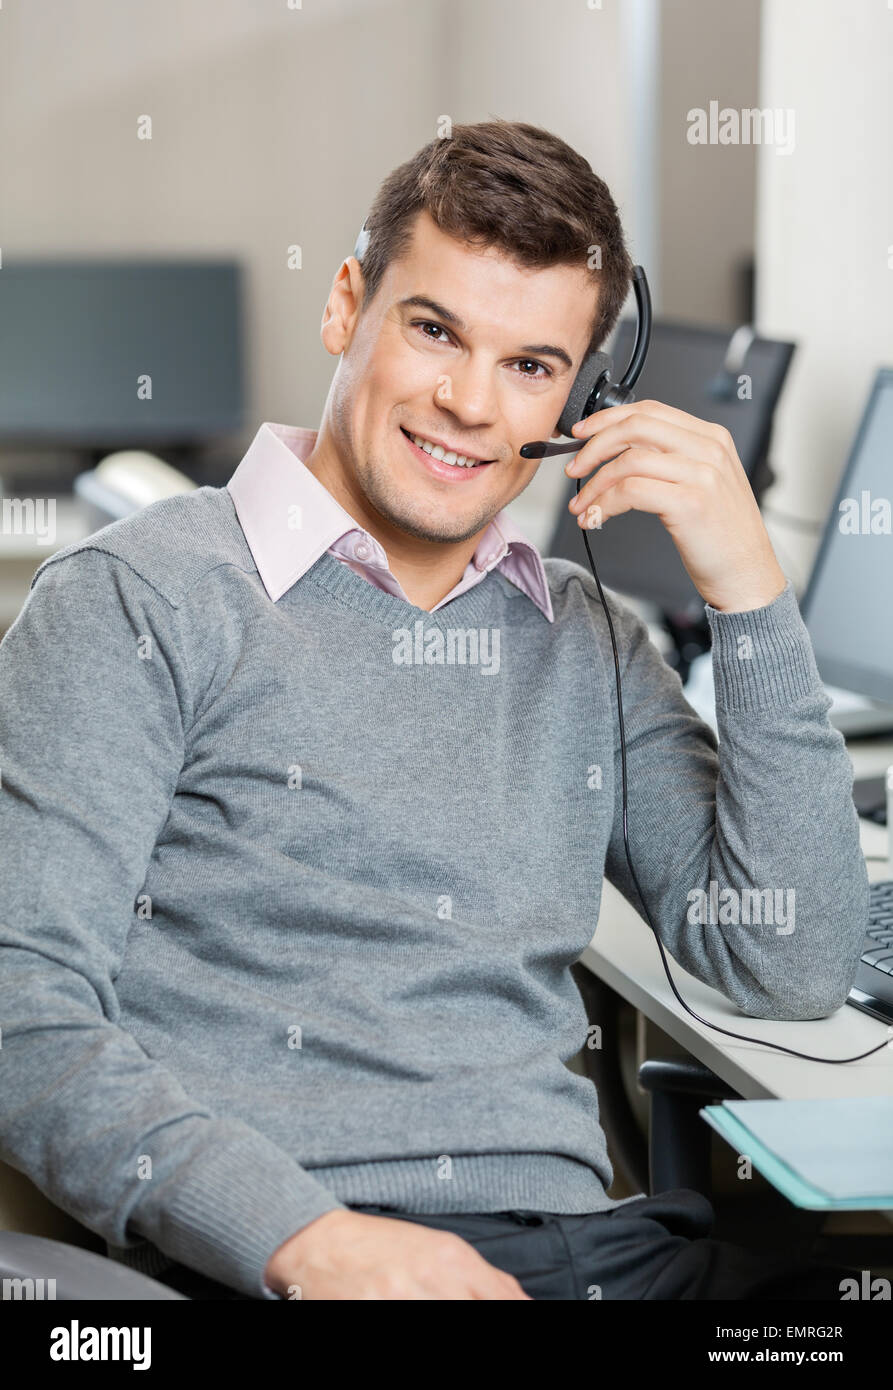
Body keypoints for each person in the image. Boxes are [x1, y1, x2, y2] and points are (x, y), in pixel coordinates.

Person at [0, 120, 868, 1301]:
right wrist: (306, 1239)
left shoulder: (586, 638)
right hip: (291, 1259)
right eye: (433, 330)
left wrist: (749, 592)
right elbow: (21, 1007)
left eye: (529, 364)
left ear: (581, 397)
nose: (467, 402)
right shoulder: (137, 599)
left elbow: (790, 962)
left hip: (591, 1256)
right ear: (345, 306)